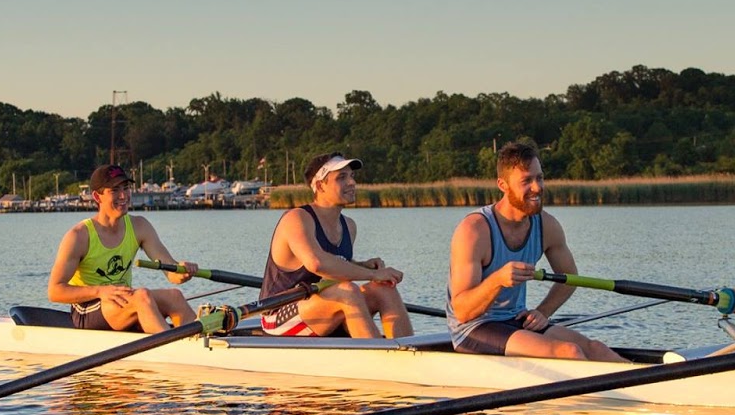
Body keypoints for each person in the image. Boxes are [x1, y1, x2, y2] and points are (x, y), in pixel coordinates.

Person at [446, 141, 626, 362]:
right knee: (569, 352)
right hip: (473, 329)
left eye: (539, 178)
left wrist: (543, 312)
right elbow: (463, 311)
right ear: (503, 185)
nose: (537, 187)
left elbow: (570, 278)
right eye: (526, 181)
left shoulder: (547, 226)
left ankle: (648, 390)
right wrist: (497, 280)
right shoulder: (474, 231)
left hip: (517, 319)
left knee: (596, 349)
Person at [259, 153, 413, 339]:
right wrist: (372, 274)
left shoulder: (349, 226)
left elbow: (333, 266)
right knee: (348, 291)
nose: (351, 183)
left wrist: (362, 265)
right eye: (341, 177)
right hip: (278, 314)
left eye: (352, 176)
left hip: (323, 307)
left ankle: (407, 352)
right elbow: (317, 263)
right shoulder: (297, 218)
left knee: (384, 288)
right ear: (319, 186)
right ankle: (377, 360)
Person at [48, 163, 199, 333]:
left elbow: (171, 273)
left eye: (126, 188)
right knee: (141, 296)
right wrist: (100, 291)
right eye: (114, 190)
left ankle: (196, 345)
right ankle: (170, 345)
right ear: (98, 197)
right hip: (87, 310)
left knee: (175, 297)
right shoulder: (78, 236)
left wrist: (182, 271)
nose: (123, 196)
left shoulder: (140, 226)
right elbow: (55, 291)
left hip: (124, 301)